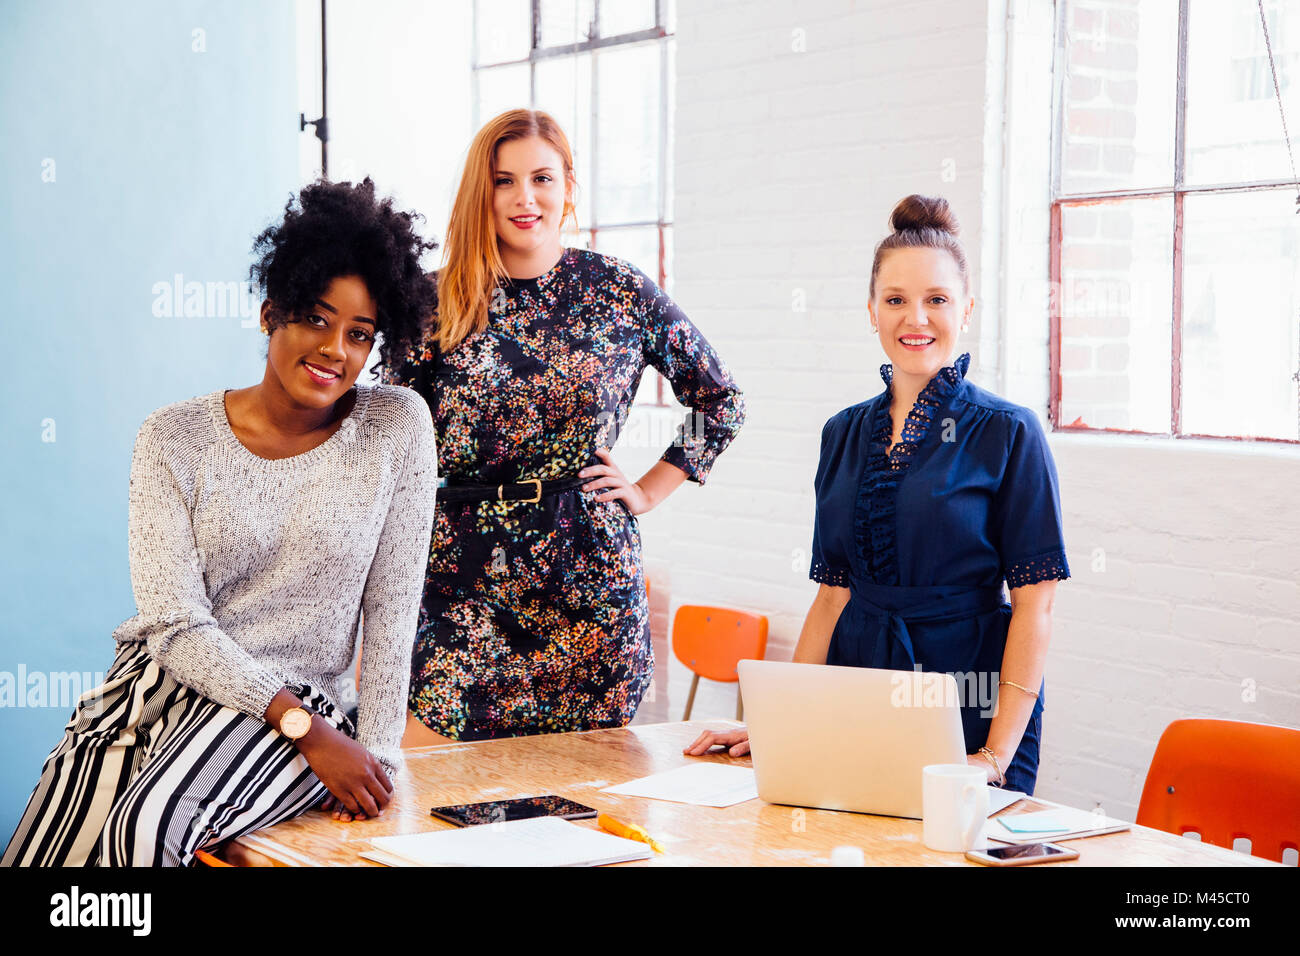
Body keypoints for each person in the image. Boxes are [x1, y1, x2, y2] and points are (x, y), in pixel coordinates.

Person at [1, 178, 439, 866]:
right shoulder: (172, 439)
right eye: (317, 320)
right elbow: (175, 622)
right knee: (50, 855)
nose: (335, 350)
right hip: (170, 686)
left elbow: (391, 610)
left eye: (359, 335)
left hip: (304, 705)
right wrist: (300, 727)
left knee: (142, 832)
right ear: (272, 313)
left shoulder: (396, 426)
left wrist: (375, 754)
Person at [685, 195, 1068, 796]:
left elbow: (1035, 608)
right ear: (872, 311)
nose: (915, 318)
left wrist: (993, 755)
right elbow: (832, 596)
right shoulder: (842, 432)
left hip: (966, 698)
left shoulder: (1009, 432)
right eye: (896, 300)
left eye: (936, 299)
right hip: (854, 688)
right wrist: (776, 724)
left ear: (966, 309)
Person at [391, 109, 745, 743]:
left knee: (586, 796)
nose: (525, 198)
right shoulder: (432, 301)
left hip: (588, 576)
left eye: (542, 178)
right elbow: (382, 439)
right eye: (504, 181)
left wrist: (646, 490)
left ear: (568, 188)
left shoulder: (618, 290)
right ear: (482, 192)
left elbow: (720, 400)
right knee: (460, 799)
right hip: (460, 578)